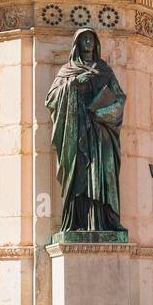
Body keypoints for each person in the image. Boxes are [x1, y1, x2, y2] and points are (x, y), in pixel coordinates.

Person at [45, 29, 126, 234]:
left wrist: (103, 113)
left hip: (101, 133)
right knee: (79, 175)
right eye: (84, 39)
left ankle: (106, 220)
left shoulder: (105, 70)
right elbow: (51, 99)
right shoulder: (67, 71)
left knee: (103, 176)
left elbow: (119, 98)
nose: (88, 42)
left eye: (91, 38)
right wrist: (72, 84)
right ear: (77, 44)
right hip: (77, 131)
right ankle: (77, 221)